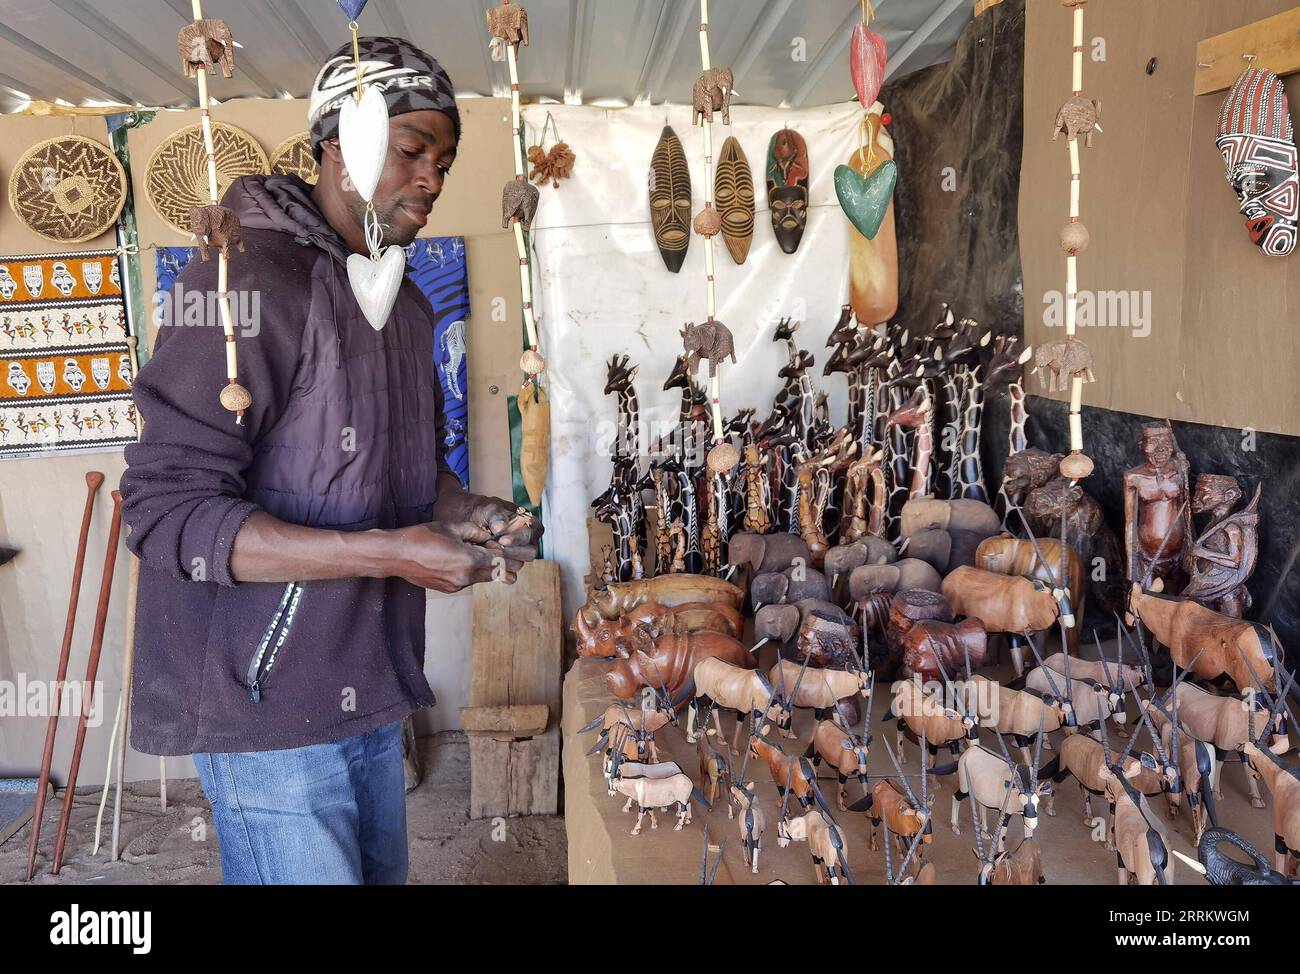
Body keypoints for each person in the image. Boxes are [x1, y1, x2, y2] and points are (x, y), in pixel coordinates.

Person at [120, 37, 540, 885]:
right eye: (411, 151)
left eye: (444, 161)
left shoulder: (404, 304)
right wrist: (390, 552)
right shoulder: (245, 283)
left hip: (368, 684)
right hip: (264, 698)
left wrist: (470, 514)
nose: (430, 178)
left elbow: (413, 474)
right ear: (339, 147)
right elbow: (165, 512)